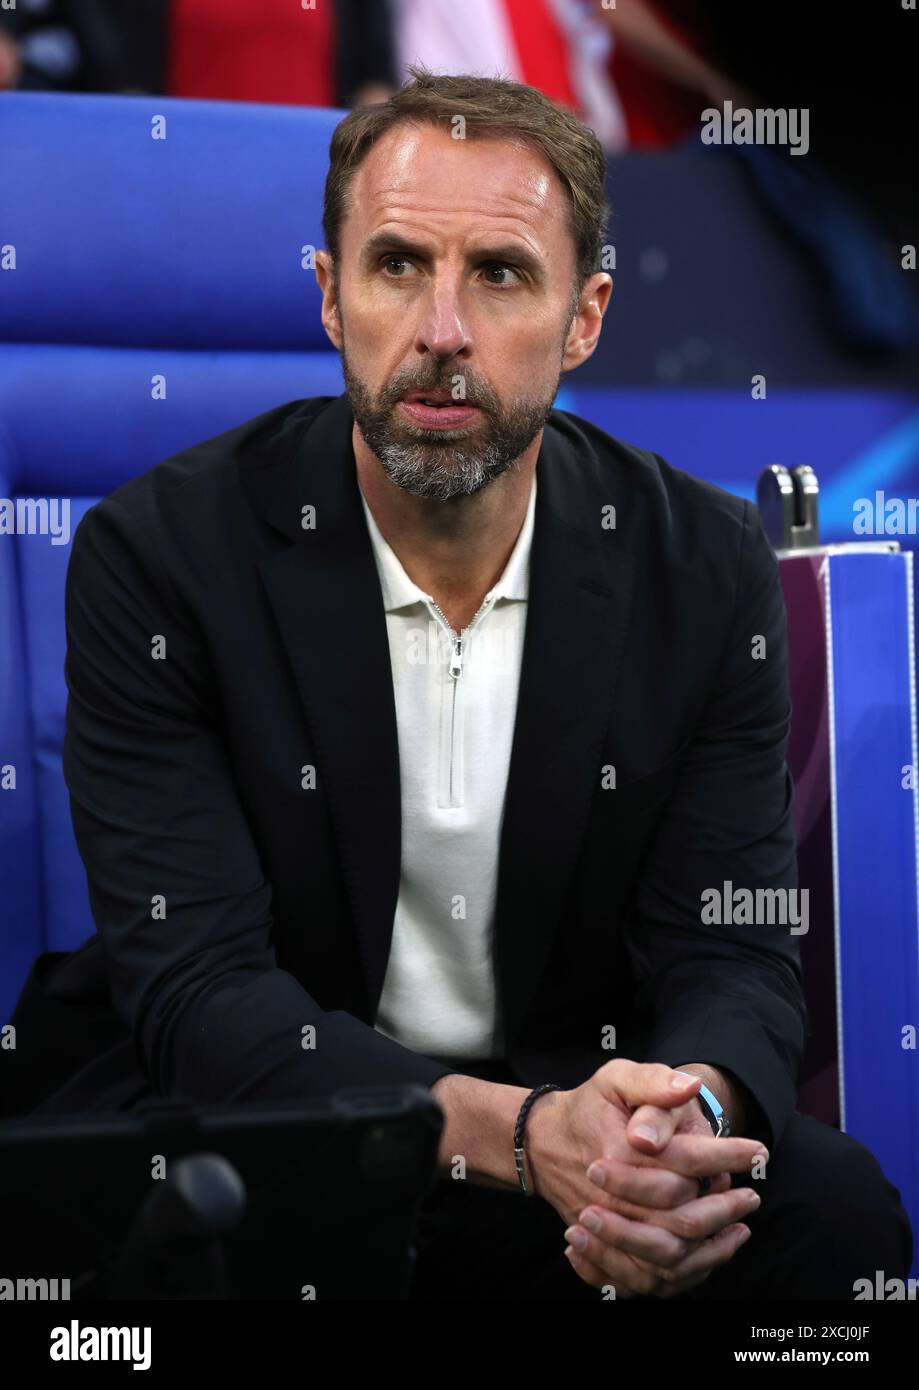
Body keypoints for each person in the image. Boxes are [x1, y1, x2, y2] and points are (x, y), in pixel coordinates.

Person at [4, 66, 911, 1301]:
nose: (441, 331)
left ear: (584, 316)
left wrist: (674, 1126)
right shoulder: (157, 559)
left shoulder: (702, 570)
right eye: (394, 267)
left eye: (498, 273)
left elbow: (732, 955)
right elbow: (201, 989)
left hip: (582, 1104)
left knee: (838, 1221)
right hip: (266, 1111)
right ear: (329, 299)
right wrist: (518, 1137)